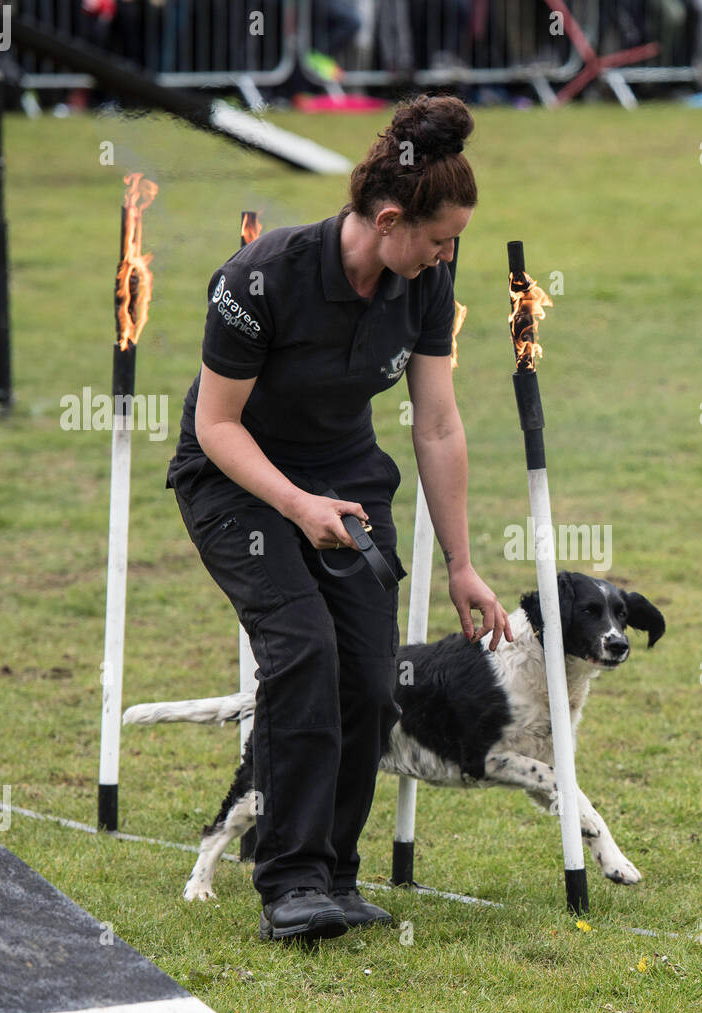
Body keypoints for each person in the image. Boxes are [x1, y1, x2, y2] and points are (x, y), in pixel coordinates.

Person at [166, 95, 511, 943]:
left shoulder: (424, 277)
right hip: (236, 480)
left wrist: (462, 561)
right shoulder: (262, 277)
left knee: (369, 675)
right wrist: (295, 505)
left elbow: (436, 422)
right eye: (436, 240)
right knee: (303, 655)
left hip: (345, 477)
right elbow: (216, 427)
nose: (445, 256)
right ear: (388, 220)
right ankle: (287, 878)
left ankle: (333, 870)